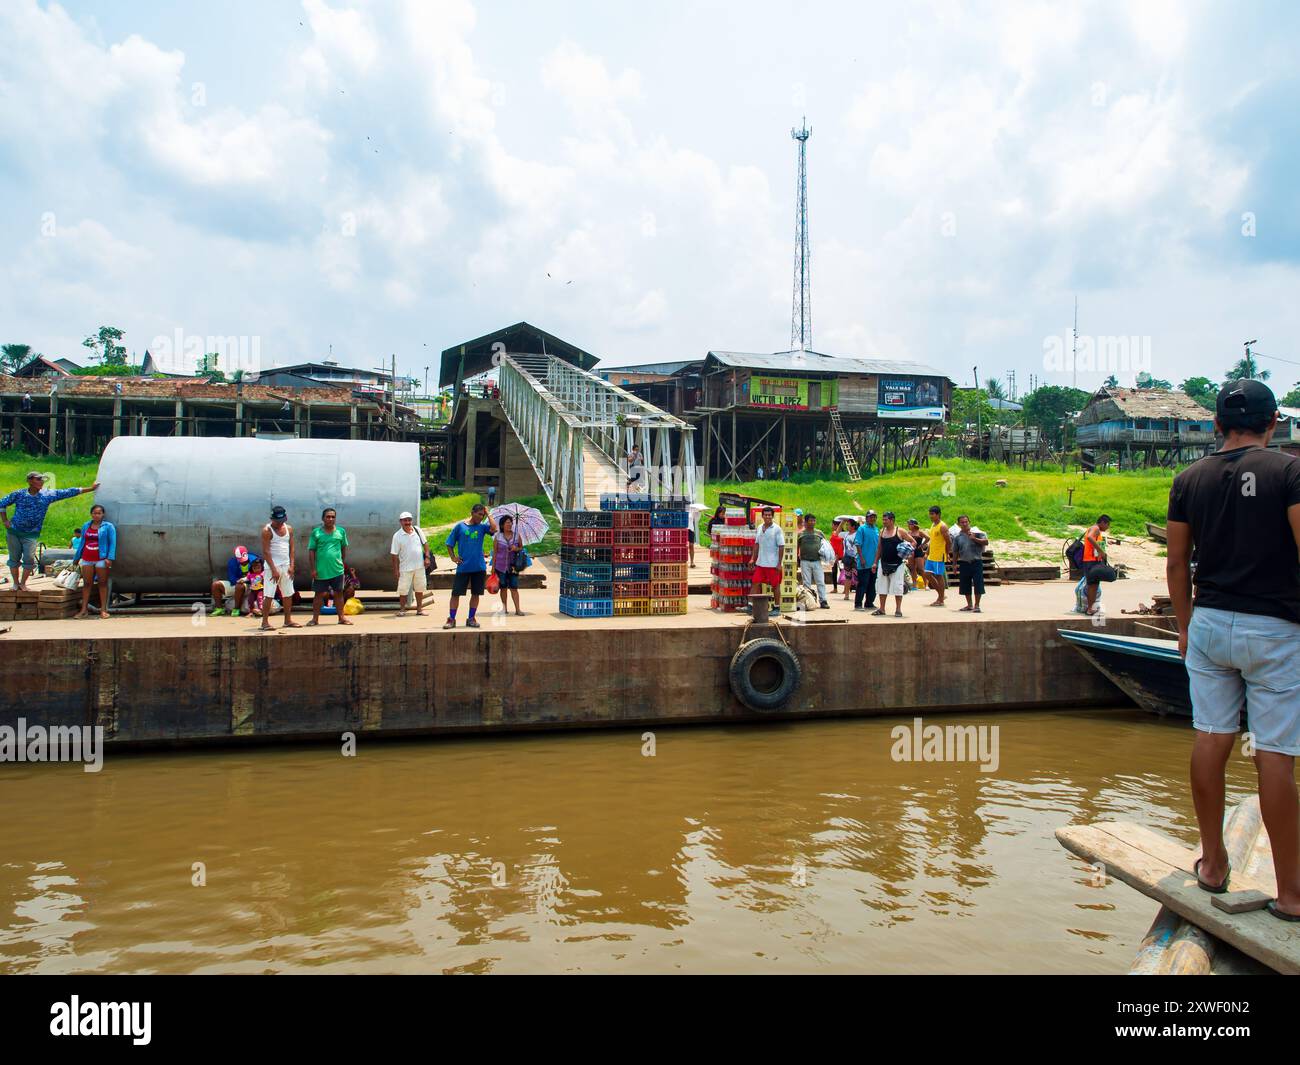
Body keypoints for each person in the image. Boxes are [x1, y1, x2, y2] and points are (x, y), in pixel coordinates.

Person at [1166, 379, 1300, 920]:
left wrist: (1183, 627)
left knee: (1212, 737)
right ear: (1274, 423)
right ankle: (1291, 894)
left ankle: (1214, 865)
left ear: (1217, 425)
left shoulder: (1188, 478)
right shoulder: (1289, 471)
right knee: (1274, 754)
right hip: (1275, 629)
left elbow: (1177, 564)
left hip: (1210, 623)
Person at [2, 472, 99, 590]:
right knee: (14, 558)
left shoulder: (47, 495)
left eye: (42, 479)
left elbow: (67, 492)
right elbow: (2, 503)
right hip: (14, 531)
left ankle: (23, 583)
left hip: (31, 534)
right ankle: (15, 583)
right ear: (30, 481)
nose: (41, 481)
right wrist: (5, 520)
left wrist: (91, 488)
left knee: (29, 558)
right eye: (38, 479)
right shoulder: (19, 494)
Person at [445, 502, 496, 629]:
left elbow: (494, 529)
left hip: (479, 567)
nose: (481, 517)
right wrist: (453, 557)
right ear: (472, 513)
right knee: (455, 594)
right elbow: (449, 543)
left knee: (476, 594)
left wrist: (488, 514)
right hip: (463, 567)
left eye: (482, 515)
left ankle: (471, 618)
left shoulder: (483, 527)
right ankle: (451, 619)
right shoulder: (460, 527)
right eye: (479, 514)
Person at [308, 507, 351, 626]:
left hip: (337, 570)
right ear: (323, 518)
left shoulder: (341, 532)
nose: (330, 519)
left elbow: (343, 549)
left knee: (339, 593)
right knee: (318, 594)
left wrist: (341, 563)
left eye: (333, 517)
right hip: (321, 570)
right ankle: (315, 619)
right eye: (328, 516)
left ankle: (341, 618)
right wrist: (313, 569)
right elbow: (311, 551)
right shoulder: (316, 532)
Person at [260, 505, 299, 630]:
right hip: (272, 567)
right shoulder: (267, 530)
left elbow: (292, 548)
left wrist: (292, 566)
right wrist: (273, 569)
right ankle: (264, 622)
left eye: (281, 521)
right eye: (276, 521)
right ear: (272, 519)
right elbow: (266, 552)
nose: (278, 523)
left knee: (288, 594)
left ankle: (288, 620)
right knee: (269, 594)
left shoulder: (289, 529)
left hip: (286, 566)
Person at [72, 503, 115, 619]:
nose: (96, 515)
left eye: (99, 513)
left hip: (101, 559)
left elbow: (112, 543)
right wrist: (77, 557)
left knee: (102, 583)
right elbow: (82, 542)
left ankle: (103, 610)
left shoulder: (108, 526)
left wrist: (109, 558)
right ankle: (84, 610)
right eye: (94, 513)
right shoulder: (86, 525)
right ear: (91, 514)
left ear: (103, 514)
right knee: (87, 583)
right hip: (87, 558)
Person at [872, 512, 917, 617]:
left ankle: (898, 609)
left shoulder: (900, 531)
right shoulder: (882, 531)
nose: (883, 522)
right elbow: (879, 548)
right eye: (883, 520)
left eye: (885, 520)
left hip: (897, 564)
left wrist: (906, 551)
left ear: (892, 520)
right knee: (881, 587)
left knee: (898, 588)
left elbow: (913, 542)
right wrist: (875, 563)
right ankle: (882, 609)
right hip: (883, 563)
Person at [391, 511, 430, 618]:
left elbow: (425, 545)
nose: (407, 522)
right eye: (405, 520)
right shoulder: (397, 536)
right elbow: (394, 555)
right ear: (401, 522)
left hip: (419, 566)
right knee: (403, 590)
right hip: (405, 568)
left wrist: (427, 557)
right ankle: (402, 610)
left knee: (420, 588)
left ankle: (419, 610)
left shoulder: (417, 530)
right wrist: (396, 570)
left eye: (409, 520)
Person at [748, 505, 785, 614]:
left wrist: (779, 563)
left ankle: (777, 607)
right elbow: (756, 544)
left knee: (775, 585)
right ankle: (750, 606)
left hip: (772, 564)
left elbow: (781, 546)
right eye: (766, 515)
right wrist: (752, 559)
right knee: (755, 582)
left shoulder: (777, 529)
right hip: (761, 562)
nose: (768, 517)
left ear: (772, 516)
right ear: (762, 516)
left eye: (769, 515)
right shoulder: (760, 527)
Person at [492, 514, 526, 616]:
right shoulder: (498, 536)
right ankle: (504, 608)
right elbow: (495, 552)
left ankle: (518, 609)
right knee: (503, 588)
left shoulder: (517, 535)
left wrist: (516, 549)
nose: (509, 524)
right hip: (500, 566)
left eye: (510, 522)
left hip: (513, 567)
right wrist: (493, 568)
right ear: (502, 525)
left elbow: (521, 547)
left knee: (514, 587)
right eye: (507, 522)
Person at [210, 544, 258, 616]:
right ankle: (219, 608)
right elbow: (232, 578)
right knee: (216, 585)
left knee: (240, 586)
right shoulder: (232, 562)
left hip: (251, 585)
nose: (243, 562)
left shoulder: (254, 560)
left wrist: (246, 580)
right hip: (237, 584)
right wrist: (239, 581)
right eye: (241, 561)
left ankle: (236, 609)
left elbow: (259, 575)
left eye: (245, 561)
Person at [953, 515, 989, 613]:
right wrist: (954, 564)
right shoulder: (958, 537)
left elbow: (986, 542)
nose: (964, 524)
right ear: (959, 524)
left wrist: (974, 539)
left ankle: (977, 605)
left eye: (966, 522)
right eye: (962, 522)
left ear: (969, 522)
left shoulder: (977, 532)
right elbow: (955, 551)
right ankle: (969, 604)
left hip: (976, 561)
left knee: (978, 583)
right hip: (964, 562)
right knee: (965, 584)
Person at [1080, 514, 1111, 615]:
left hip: (1091, 560)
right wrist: (1101, 551)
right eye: (1108, 524)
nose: (1108, 527)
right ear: (1102, 522)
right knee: (1092, 585)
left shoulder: (1096, 529)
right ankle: (1090, 609)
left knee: (1093, 585)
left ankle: (1090, 607)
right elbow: (1089, 537)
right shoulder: (1095, 528)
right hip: (1091, 561)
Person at [797, 513, 830, 608]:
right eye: (810, 521)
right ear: (805, 522)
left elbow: (825, 546)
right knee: (806, 583)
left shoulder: (819, 533)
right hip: (804, 561)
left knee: (820, 581)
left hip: (817, 561)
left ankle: (823, 601)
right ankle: (809, 601)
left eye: (814, 521)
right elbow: (797, 547)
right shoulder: (801, 534)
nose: (812, 522)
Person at [924, 505, 953, 607]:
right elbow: (932, 541)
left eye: (933, 514)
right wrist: (927, 552)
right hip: (931, 555)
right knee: (927, 574)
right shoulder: (933, 525)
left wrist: (947, 553)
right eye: (930, 514)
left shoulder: (942, 526)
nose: (931, 516)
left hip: (939, 556)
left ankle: (940, 599)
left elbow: (949, 541)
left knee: (938, 576)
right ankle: (941, 594)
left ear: (938, 514)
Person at [852, 510, 879, 610]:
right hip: (864, 562)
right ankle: (858, 604)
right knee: (863, 583)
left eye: (874, 517)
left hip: (874, 563)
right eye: (870, 517)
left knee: (872, 584)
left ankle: (869, 603)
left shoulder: (876, 529)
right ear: (866, 518)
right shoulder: (862, 529)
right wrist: (862, 558)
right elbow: (858, 544)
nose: (872, 519)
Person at [838, 518, 858, 600]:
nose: (847, 526)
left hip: (856, 558)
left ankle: (860, 595)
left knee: (858, 576)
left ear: (853, 526)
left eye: (848, 525)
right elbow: (837, 532)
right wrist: (842, 522)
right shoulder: (846, 534)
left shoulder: (857, 534)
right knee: (848, 577)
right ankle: (846, 595)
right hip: (847, 558)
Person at [905, 518, 928, 593]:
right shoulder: (909, 533)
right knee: (912, 568)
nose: (908, 525)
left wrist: (922, 545)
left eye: (910, 524)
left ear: (914, 525)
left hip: (918, 551)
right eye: (908, 524)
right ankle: (914, 585)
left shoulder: (919, 532)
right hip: (911, 551)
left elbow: (928, 538)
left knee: (921, 568)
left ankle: (926, 584)